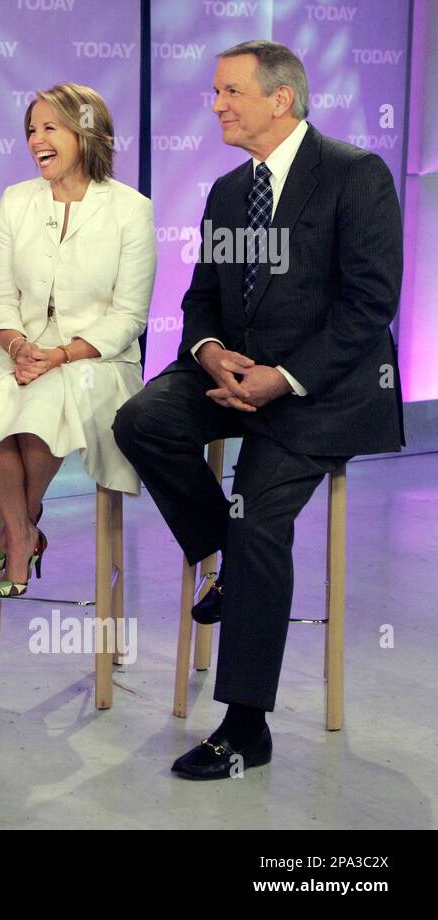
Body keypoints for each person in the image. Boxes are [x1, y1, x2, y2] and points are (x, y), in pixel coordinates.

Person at [112, 41, 404, 780]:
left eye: (230, 91)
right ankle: (227, 562)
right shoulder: (224, 192)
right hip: (230, 376)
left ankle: (246, 728)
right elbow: (201, 298)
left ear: (281, 99)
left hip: (320, 392)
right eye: (215, 92)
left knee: (260, 517)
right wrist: (210, 352)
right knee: (140, 419)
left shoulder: (354, 174)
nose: (216, 105)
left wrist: (285, 377)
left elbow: (369, 305)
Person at [0, 83, 156, 597]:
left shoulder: (130, 209)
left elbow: (129, 316)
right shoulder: (17, 201)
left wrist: (59, 355)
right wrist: (18, 348)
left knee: (42, 408)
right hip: (20, 349)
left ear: (85, 131)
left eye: (49, 128)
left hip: (97, 360)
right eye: (31, 130)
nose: (36, 139)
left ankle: (13, 533)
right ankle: (23, 531)